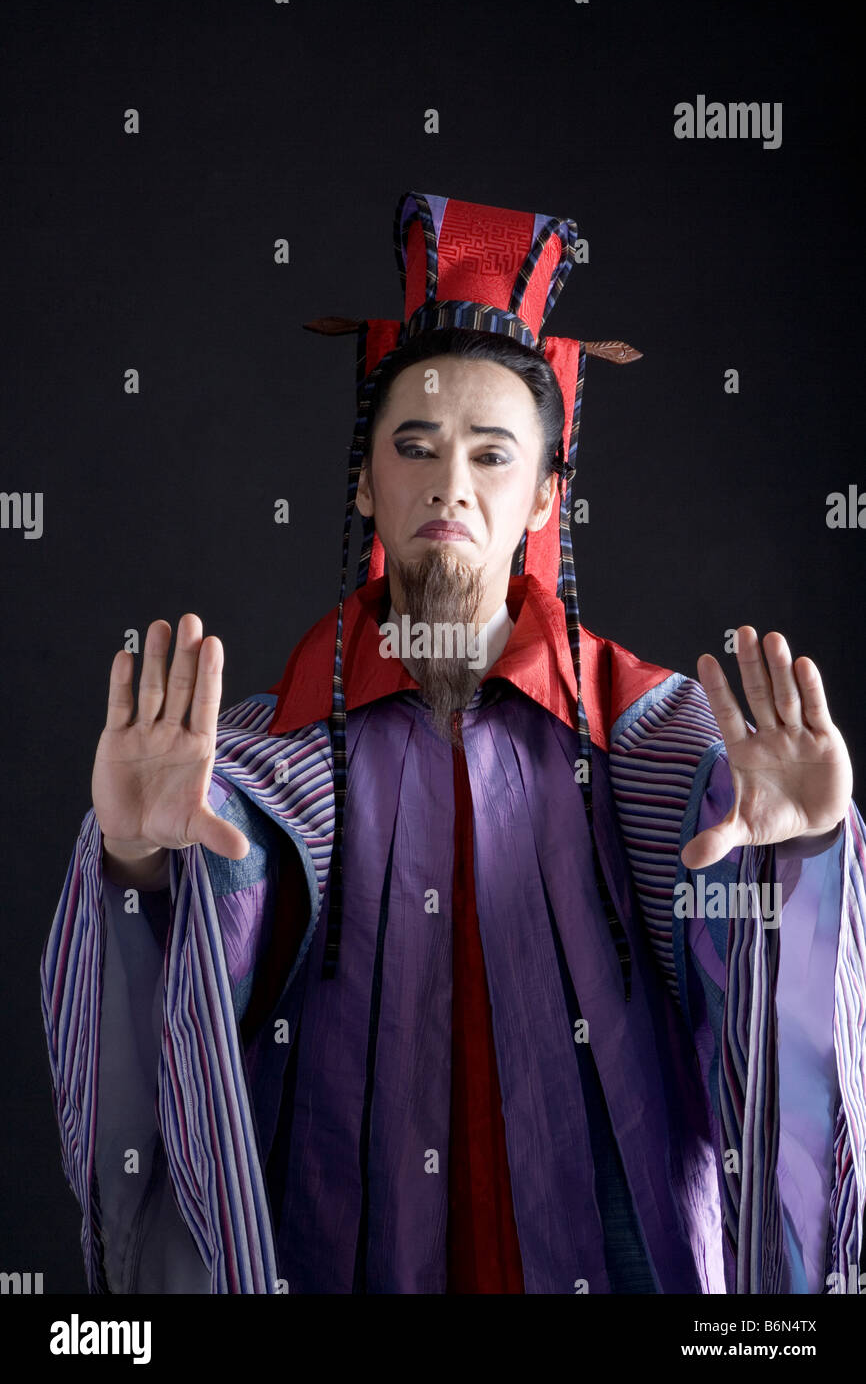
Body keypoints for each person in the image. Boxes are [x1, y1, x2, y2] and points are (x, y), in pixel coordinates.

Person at [41, 189, 866, 1295]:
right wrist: (135, 867)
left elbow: (763, 1010)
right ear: (363, 480)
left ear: (543, 497)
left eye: (491, 454)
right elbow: (171, 1050)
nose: (449, 485)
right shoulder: (247, 763)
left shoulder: (660, 739)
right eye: (415, 446)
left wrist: (793, 862)